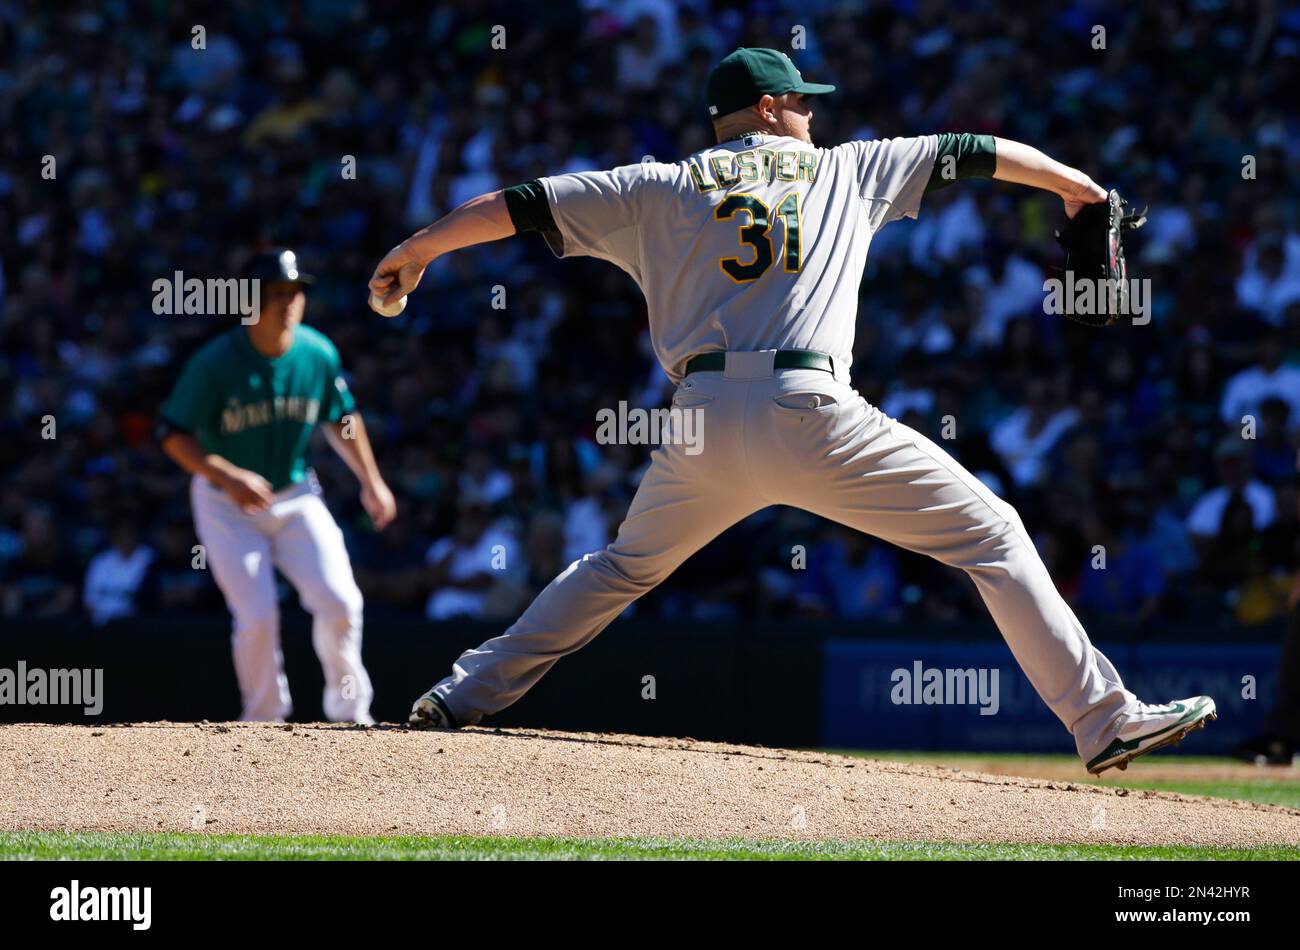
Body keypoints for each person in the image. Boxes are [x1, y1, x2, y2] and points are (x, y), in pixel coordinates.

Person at [370, 48, 1215, 774]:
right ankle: (1104, 722)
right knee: (991, 535)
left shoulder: (657, 184)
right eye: (803, 103)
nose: (813, 115)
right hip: (810, 410)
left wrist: (416, 251)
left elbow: (515, 205)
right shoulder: (849, 168)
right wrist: (1080, 187)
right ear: (769, 109)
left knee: (622, 569)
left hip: (699, 420)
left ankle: (462, 692)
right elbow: (980, 151)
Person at [159, 248, 394, 724]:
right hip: (226, 503)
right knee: (259, 615)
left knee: (341, 601)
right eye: (274, 293)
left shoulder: (317, 353)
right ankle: (263, 721)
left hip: (295, 495)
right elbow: (172, 434)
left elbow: (343, 420)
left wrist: (372, 481)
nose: (287, 302)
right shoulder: (216, 362)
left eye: (294, 292)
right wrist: (226, 474)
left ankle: (352, 715)